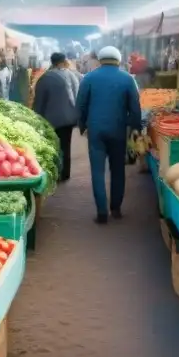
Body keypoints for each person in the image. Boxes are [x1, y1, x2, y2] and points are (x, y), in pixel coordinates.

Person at [76, 46, 142, 224]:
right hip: (118, 130)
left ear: (100, 59)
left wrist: (82, 125)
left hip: (96, 131)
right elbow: (135, 108)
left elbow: (81, 104)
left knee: (97, 171)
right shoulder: (128, 79)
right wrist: (135, 129)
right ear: (119, 60)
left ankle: (102, 211)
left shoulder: (89, 78)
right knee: (118, 170)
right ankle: (116, 208)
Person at [33, 53, 80, 182]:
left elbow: (39, 102)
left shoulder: (45, 78)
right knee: (66, 145)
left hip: (51, 120)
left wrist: (36, 118)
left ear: (52, 61)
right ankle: (66, 173)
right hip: (69, 118)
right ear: (64, 61)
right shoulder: (73, 75)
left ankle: (55, 172)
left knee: (53, 146)